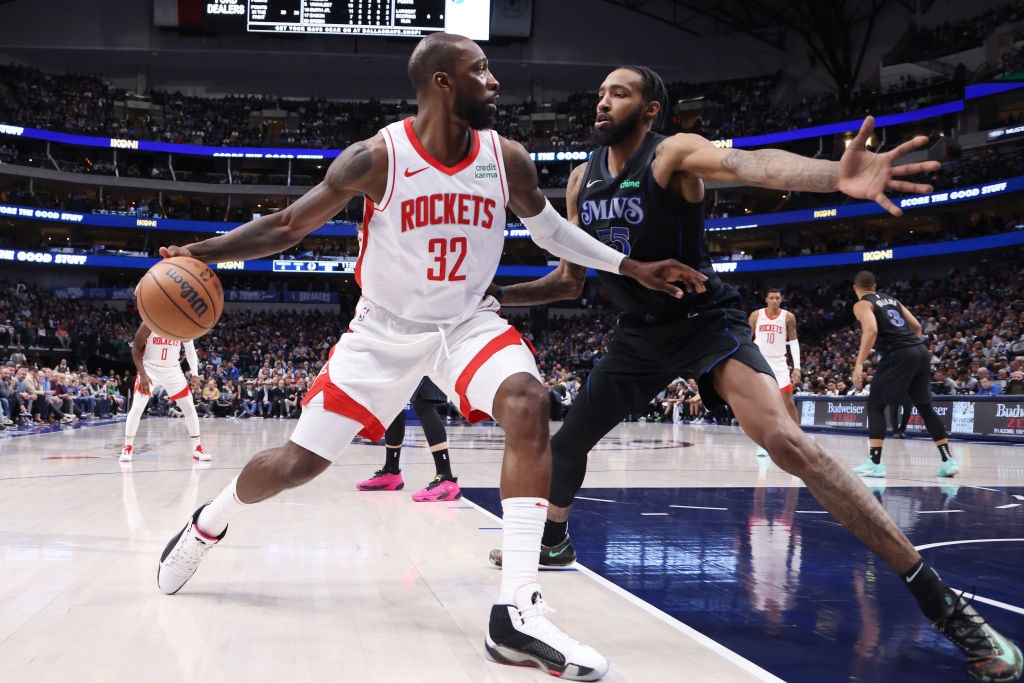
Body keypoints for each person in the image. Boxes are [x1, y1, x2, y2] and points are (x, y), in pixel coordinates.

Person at [154, 33, 705, 682]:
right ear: (443, 82)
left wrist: (630, 265)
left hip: (465, 324)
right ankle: (208, 522)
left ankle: (517, 613)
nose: (495, 81)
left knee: (528, 401)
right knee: (296, 465)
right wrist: (200, 252)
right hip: (383, 333)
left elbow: (553, 231)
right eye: (481, 70)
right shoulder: (377, 157)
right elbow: (286, 226)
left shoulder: (507, 158)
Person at [486, 65, 1022, 681]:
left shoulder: (673, 154)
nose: (603, 102)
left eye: (620, 93)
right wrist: (499, 297)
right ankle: (554, 540)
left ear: (651, 109)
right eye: (602, 93)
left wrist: (834, 175)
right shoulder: (582, 180)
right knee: (564, 446)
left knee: (789, 443)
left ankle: (946, 606)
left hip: (704, 323)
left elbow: (751, 165)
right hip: (639, 335)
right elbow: (569, 280)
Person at [851, 271, 959, 479]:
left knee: (875, 405)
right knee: (925, 407)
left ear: (855, 288)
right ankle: (948, 461)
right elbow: (916, 326)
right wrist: (911, 348)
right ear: (875, 285)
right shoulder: (892, 300)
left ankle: (875, 463)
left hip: (898, 353)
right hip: (920, 351)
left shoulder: (862, 304)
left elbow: (871, 330)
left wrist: (859, 363)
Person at [356, 377, 462, 501]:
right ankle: (391, 471)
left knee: (423, 403)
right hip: (401, 365)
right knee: (392, 405)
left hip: (426, 365)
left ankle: (446, 478)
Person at [121, 322, 211, 462]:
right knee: (137, 407)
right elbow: (136, 349)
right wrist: (142, 374)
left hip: (173, 371)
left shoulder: (183, 325)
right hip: (150, 369)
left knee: (189, 408)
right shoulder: (149, 323)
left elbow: (190, 350)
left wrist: (195, 373)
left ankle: (197, 449)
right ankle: (127, 447)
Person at [748, 288, 801, 457]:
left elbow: (794, 342)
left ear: (781, 299)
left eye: (777, 298)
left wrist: (797, 367)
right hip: (760, 361)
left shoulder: (788, 317)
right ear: (766, 299)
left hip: (779, 363)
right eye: (771, 298)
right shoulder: (756, 315)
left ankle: (797, 438)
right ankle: (764, 443)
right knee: (762, 403)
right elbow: (747, 340)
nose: (774, 301)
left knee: (788, 402)